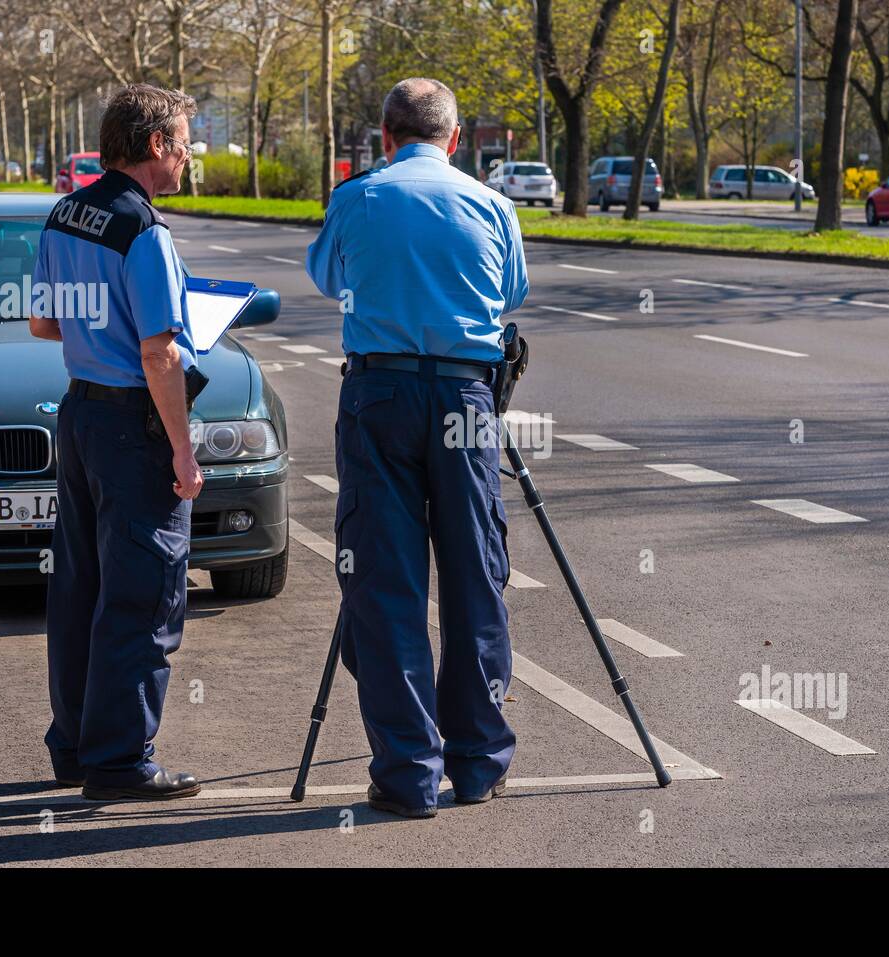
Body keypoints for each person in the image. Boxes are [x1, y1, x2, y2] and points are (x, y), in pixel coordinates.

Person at [306, 77, 529, 818]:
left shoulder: (358, 197)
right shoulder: (494, 205)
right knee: (474, 574)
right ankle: (476, 761)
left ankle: (406, 772)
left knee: (386, 582)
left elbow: (327, 276)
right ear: (454, 138)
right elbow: (510, 294)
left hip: (380, 395)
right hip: (465, 397)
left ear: (384, 133)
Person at [28, 83, 205, 801]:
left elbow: (43, 324)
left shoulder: (66, 212)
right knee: (143, 593)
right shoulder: (144, 231)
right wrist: (184, 451)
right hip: (133, 425)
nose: (191, 155)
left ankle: (75, 746)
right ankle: (122, 760)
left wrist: (95, 325)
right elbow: (160, 353)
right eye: (185, 142)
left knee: (81, 588)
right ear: (156, 145)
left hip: (81, 416)